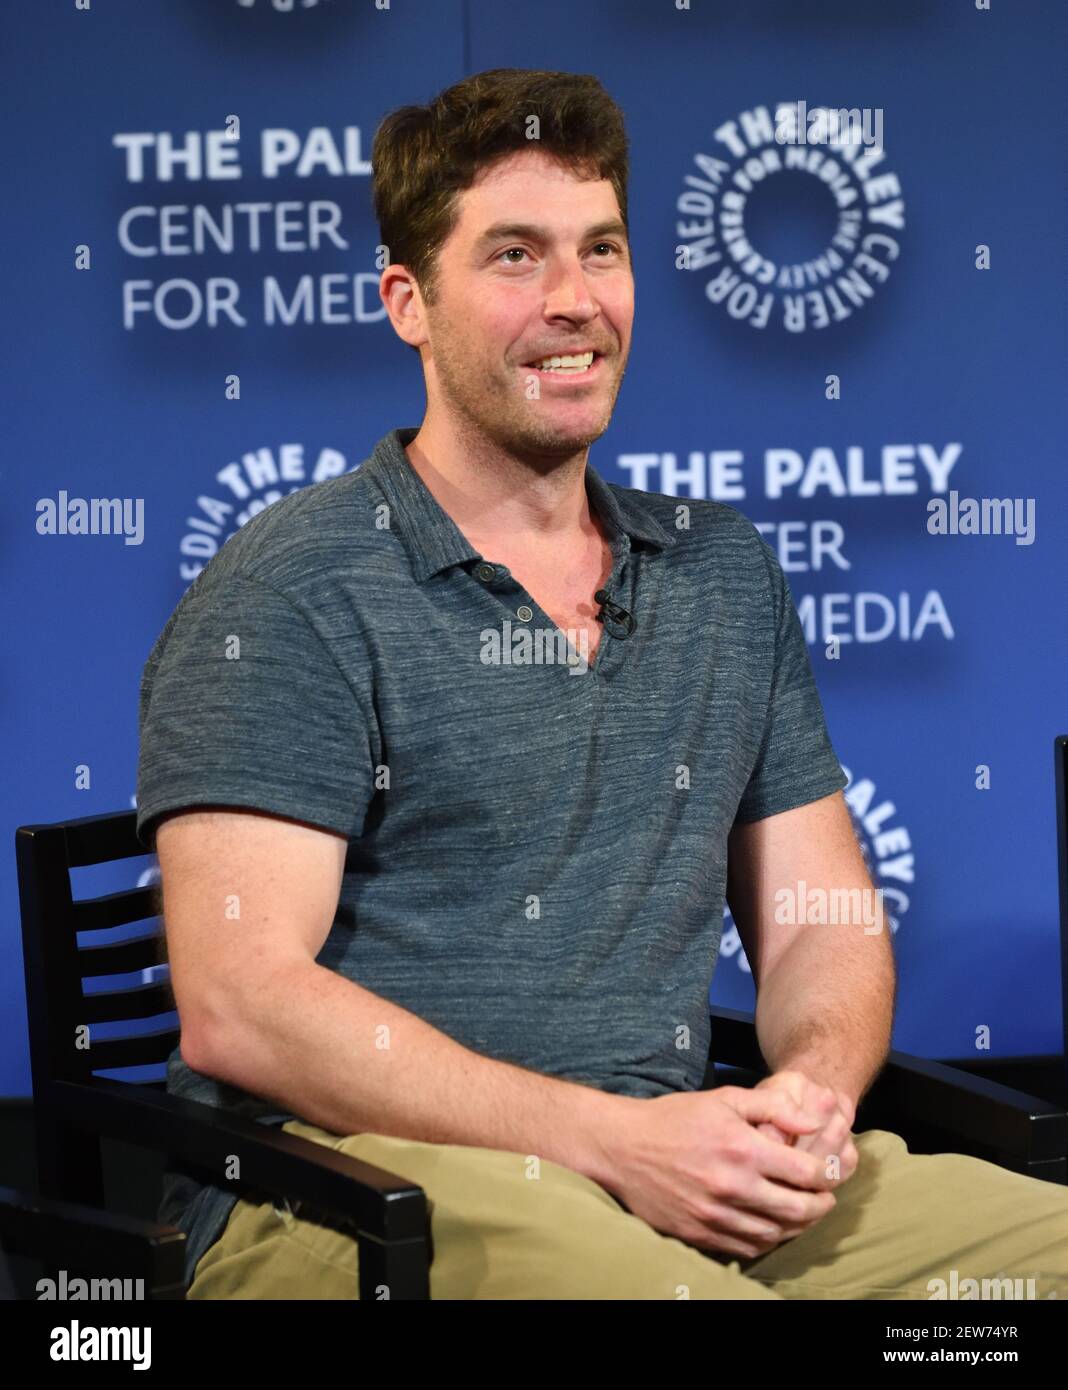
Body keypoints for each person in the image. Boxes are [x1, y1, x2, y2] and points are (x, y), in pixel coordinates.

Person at [135, 68, 1068, 1300]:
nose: (575, 302)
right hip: (349, 1192)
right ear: (406, 303)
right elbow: (241, 1008)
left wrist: (807, 1100)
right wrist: (611, 1142)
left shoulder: (720, 575)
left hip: (673, 1171)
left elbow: (821, 925)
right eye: (515, 256)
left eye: (603, 250)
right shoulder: (294, 588)